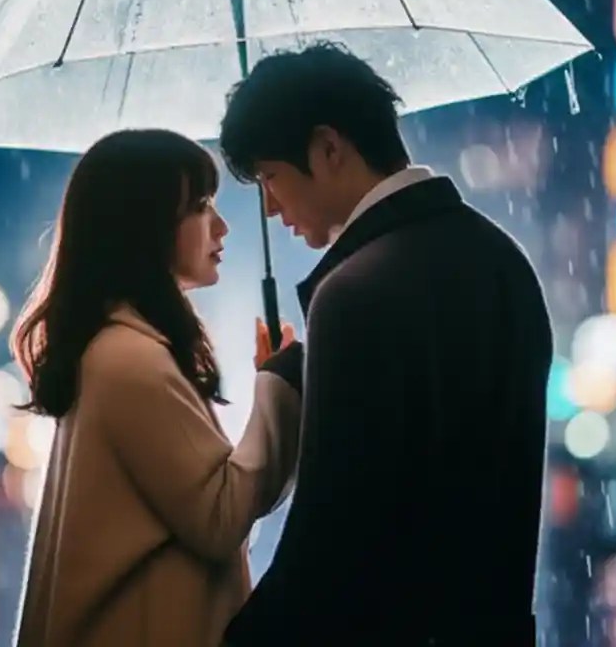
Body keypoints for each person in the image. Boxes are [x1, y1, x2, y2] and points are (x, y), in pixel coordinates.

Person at [218, 42, 554, 645]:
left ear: (327, 147)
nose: (270, 207)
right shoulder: (503, 260)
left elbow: (332, 539)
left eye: (271, 177)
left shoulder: (356, 293)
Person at [10, 129, 304, 647]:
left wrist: (275, 388)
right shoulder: (130, 361)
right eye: (200, 207)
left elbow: (218, 509)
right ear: (144, 227)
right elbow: (219, 518)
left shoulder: (124, 348)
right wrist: (277, 388)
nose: (222, 226)